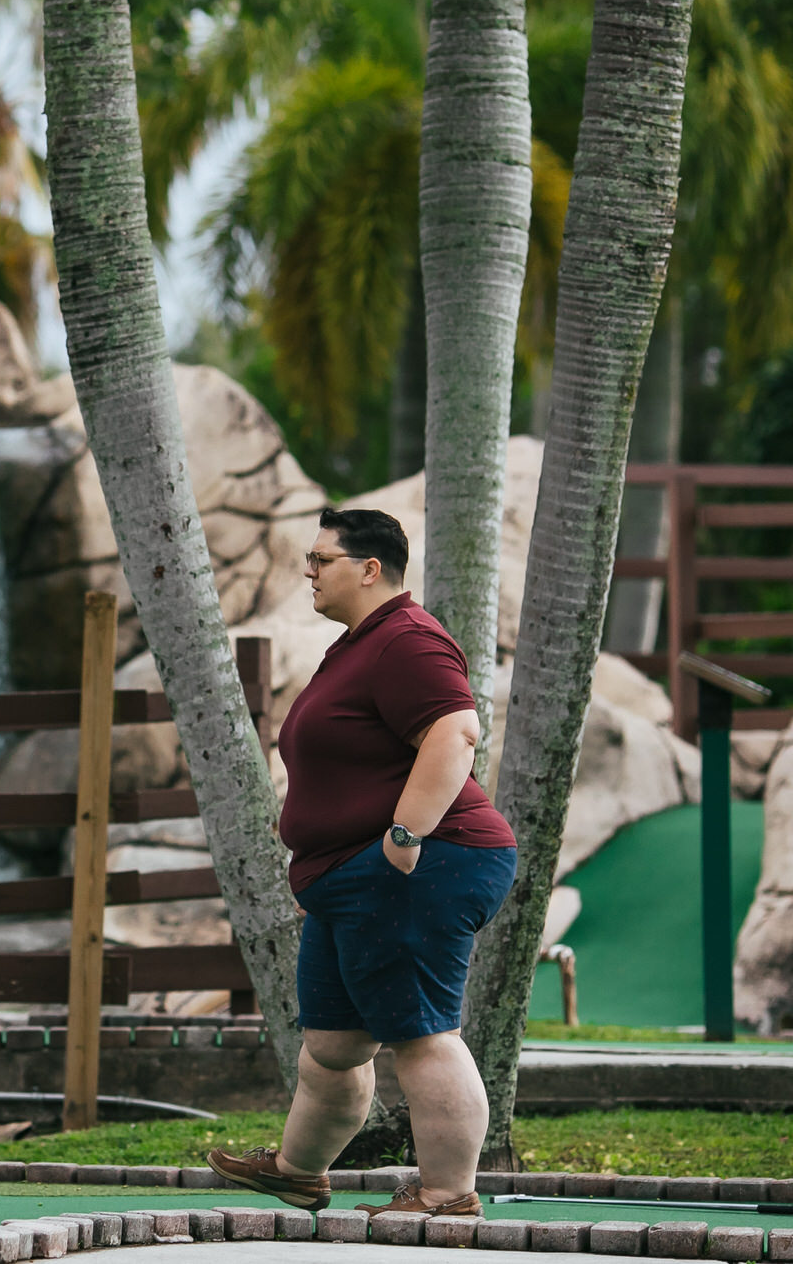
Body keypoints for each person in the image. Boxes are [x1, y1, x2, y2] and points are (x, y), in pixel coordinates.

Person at [206, 507, 517, 1218]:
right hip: (352, 878)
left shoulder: (407, 637)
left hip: (424, 862)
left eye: (322, 559)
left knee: (422, 1032)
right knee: (335, 1043)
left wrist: (403, 839)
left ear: (370, 568)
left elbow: (456, 730)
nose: (308, 571)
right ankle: (296, 1170)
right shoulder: (358, 643)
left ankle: (445, 1195)